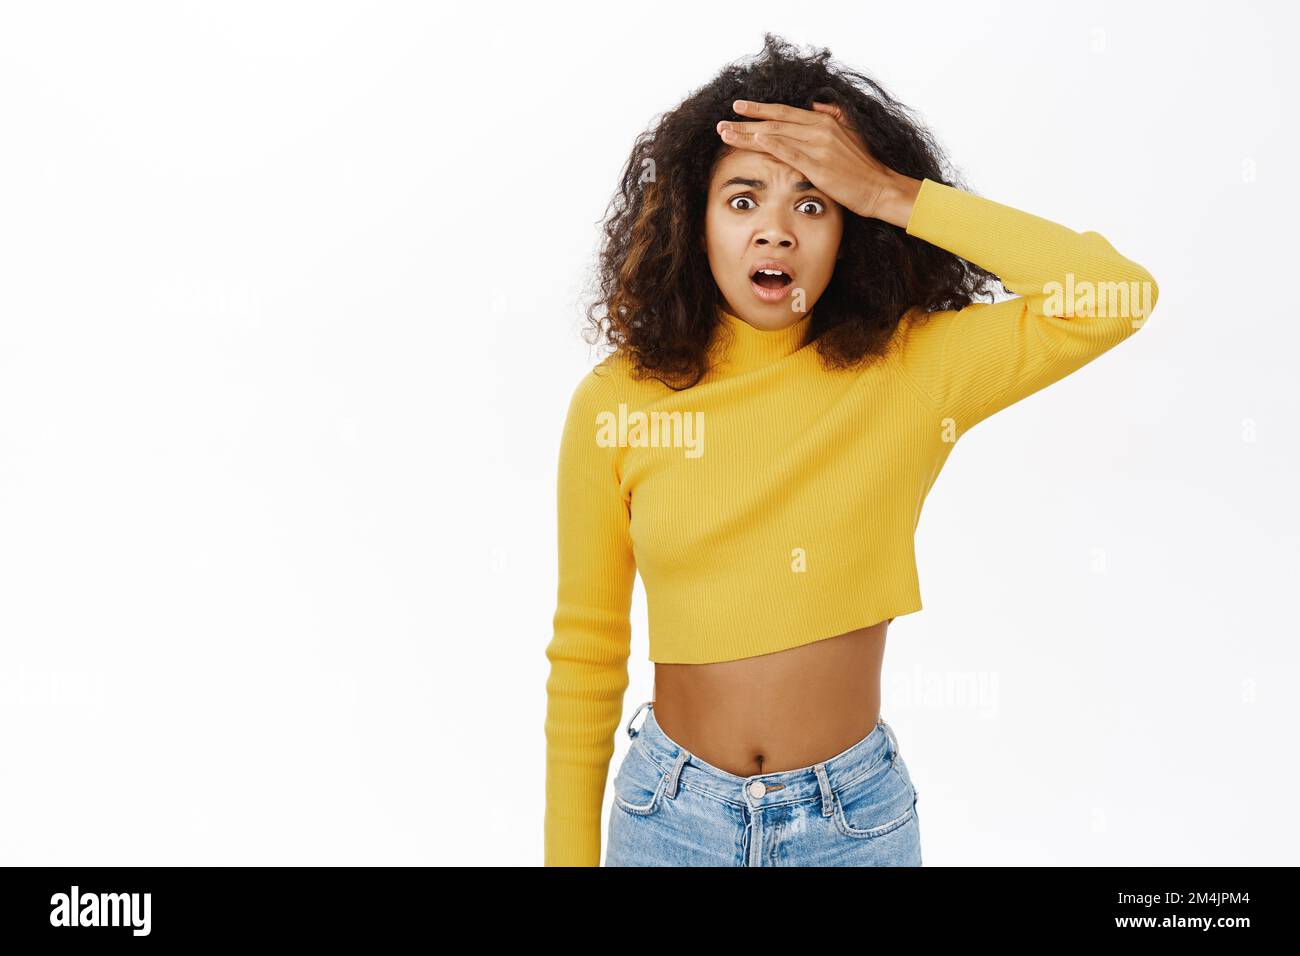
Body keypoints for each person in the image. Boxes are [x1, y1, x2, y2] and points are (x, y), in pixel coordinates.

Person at [543, 34, 1158, 867]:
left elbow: (1115, 297)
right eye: (742, 200)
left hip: (850, 827)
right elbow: (586, 652)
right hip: (669, 819)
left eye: (813, 202)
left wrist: (893, 190)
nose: (775, 233)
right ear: (695, 224)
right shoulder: (618, 402)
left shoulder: (909, 372)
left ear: (851, 230)